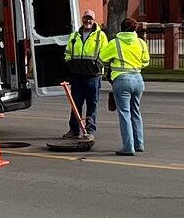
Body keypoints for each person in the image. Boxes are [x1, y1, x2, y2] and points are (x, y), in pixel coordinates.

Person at [100, 17, 149, 156]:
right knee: (136, 111)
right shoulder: (140, 42)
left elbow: (102, 58)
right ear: (135, 29)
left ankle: (128, 147)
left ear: (121, 28)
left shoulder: (115, 43)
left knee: (124, 113)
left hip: (122, 80)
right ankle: (139, 143)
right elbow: (145, 61)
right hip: (138, 79)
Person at [63, 9, 108, 140]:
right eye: (86, 18)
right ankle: (73, 130)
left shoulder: (100, 36)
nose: (88, 21)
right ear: (82, 19)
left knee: (92, 104)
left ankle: (89, 131)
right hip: (76, 75)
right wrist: (69, 65)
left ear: (94, 21)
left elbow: (105, 54)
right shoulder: (75, 35)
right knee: (75, 104)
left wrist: (97, 66)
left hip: (93, 76)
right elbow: (67, 53)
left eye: (90, 19)